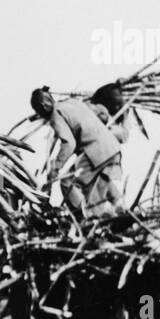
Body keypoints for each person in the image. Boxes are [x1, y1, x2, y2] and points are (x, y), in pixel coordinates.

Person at [30, 86, 126, 219]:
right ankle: (121, 207)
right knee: (98, 180)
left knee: (67, 182)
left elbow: (69, 143)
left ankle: (85, 217)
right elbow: (99, 113)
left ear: (43, 105)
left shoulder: (55, 115)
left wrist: (56, 167)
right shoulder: (72, 102)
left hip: (95, 151)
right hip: (111, 146)